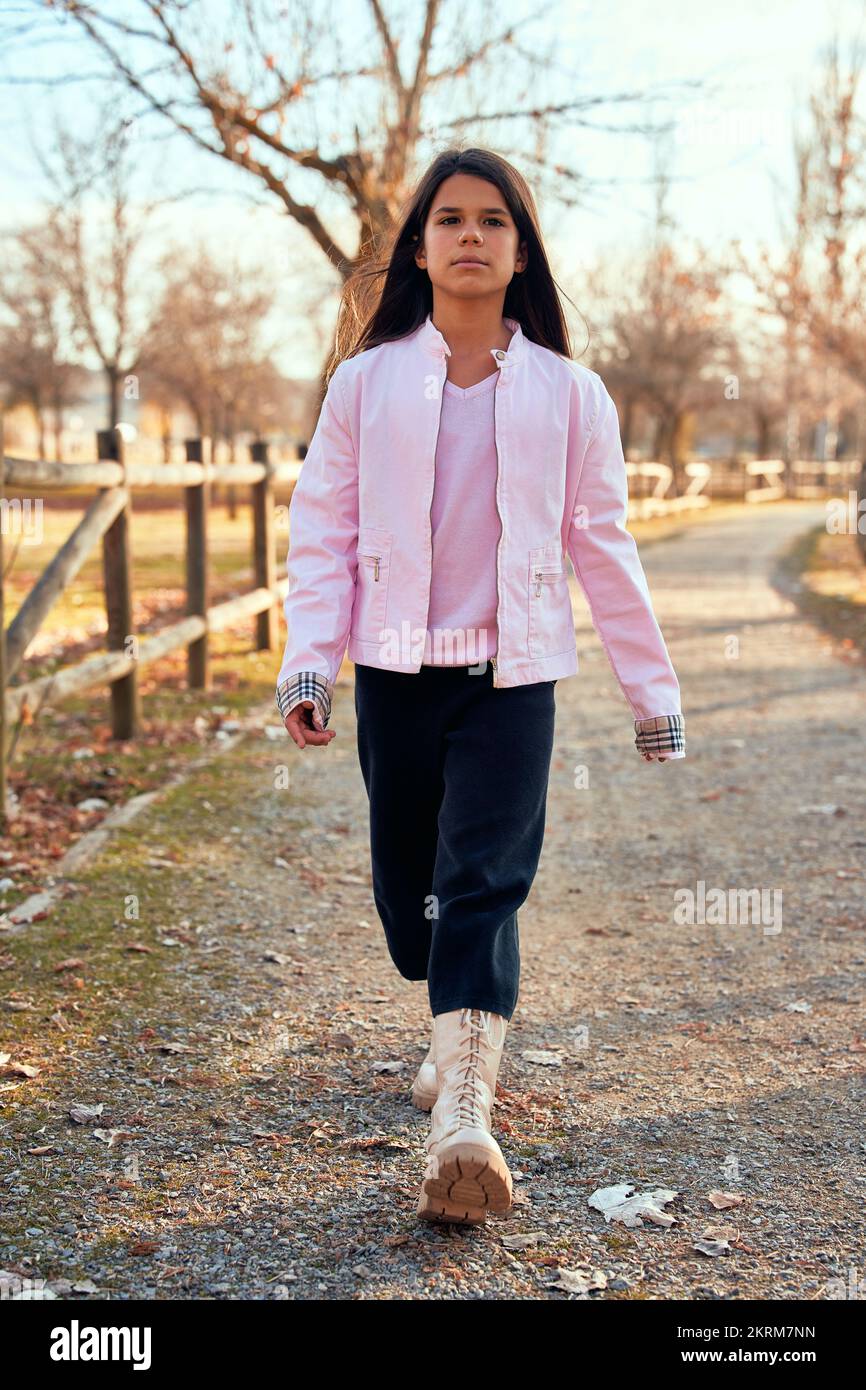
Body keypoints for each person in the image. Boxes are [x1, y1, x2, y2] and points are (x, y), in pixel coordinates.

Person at [275, 146, 685, 1226]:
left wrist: (652, 694)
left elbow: (605, 544)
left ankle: (463, 1115)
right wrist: (307, 662)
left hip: (515, 679)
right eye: (448, 218)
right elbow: (320, 531)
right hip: (397, 675)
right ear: (418, 245)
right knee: (412, 911)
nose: (468, 234)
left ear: (518, 248)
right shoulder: (365, 385)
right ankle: (444, 1017)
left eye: (491, 220)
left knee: (482, 886)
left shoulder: (570, 393)